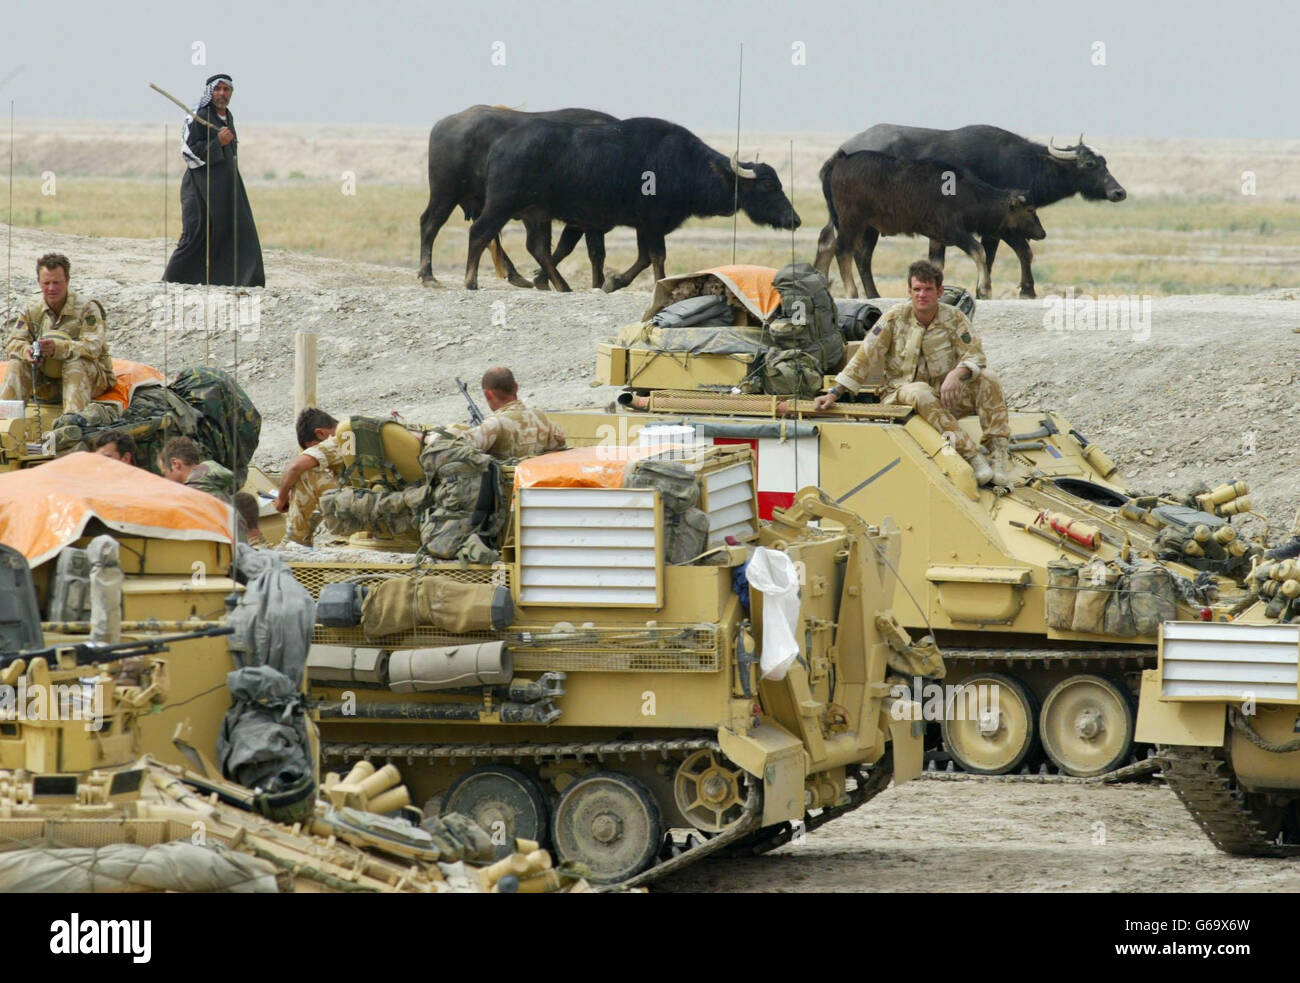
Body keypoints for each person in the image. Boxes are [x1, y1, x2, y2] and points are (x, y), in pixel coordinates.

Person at [813, 259, 1012, 486]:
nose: (922, 295)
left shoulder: (954, 318)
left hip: (942, 398)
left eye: (928, 289)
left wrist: (957, 374)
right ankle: (972, 455)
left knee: (989, 377)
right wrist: (834, 393)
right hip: (901, 398)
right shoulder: (895, 318)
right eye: (916, 289)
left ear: (940, 291)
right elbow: (864, 357)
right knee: (919, 391)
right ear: (909, 291)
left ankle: (998, 455)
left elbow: (975, 355)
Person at [163, 74, 265, 287]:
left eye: (226, 90)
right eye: (217, 89)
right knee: (196, 234)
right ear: (211, 92)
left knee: (236, 230)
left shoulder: (228, 116)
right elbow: (190, 152)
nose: (221, 94)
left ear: (231, 93)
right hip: (201, 187)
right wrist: (217, 142)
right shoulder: (200, 116)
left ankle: (238, 281)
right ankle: (172, 282)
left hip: (227, 187)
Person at [0, 253, 115, 415]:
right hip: (47, 381)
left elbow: (93, 348)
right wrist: (27, 352)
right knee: (16, 363)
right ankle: (5, 423)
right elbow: (13, 342)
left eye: (57, 282)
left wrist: (58, 349)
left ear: (67, 280)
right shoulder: (31, 309)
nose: (51, 288)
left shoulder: (87, 308)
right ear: (39, 282)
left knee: (75, 363)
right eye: (46, 283)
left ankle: (71, 426)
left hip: (87, 379)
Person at [458, 367, 567, 460]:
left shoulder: (495, 424)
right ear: (516, 387)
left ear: (487, 394)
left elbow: (460, 449)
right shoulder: (541, 417)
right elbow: (559, 448)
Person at [274, 408, 342, 545]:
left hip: (370, 503)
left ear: (321, 433)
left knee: (306, 474)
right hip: (379, 498)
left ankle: (293, 542)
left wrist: (281, 499)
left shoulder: (340, 438)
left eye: (313, 447)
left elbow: (295, 467)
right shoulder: (361, 432)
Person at [158, 435, 235, 503]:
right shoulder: (212, 483)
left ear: (175, 463)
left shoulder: (191, 496)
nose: (165, 479)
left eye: (165, 473)